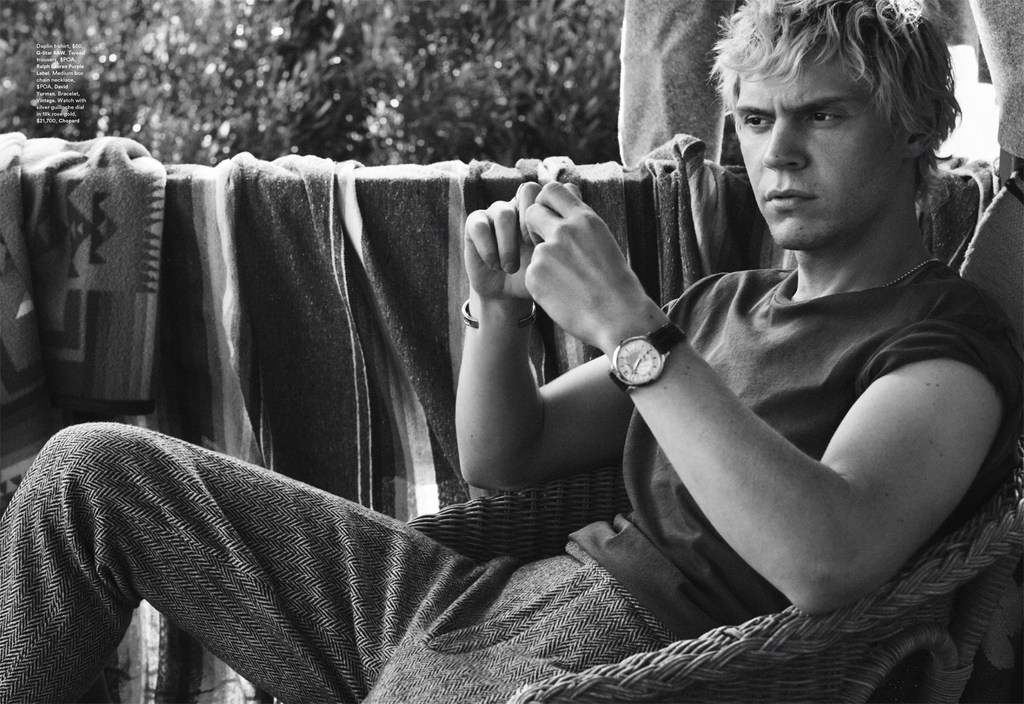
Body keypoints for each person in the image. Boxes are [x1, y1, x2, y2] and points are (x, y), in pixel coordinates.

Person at [1, 1, 1021, 701]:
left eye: (822, 115)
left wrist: (635, 327)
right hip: (476, 593)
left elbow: (831, 560)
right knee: (92, 472)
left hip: (621, 660)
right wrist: (493, 309)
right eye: (754, 120)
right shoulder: (725, 302)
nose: (777, 153)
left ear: (911, 129)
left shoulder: (942, 340)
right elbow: (507, 453)